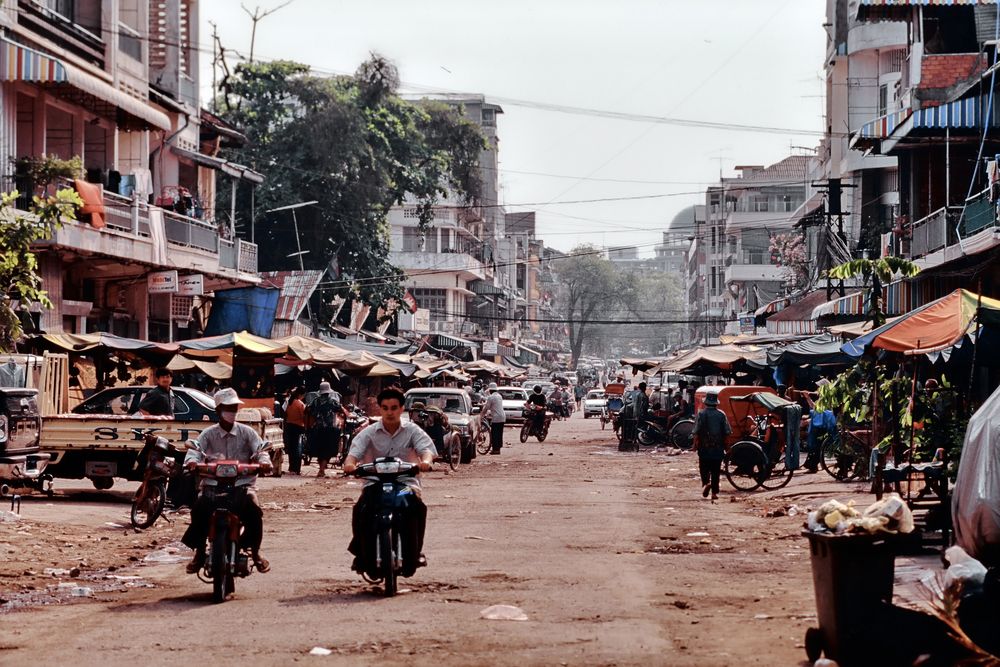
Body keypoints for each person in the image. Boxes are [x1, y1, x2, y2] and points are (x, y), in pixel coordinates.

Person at [343, 388, 435, 576]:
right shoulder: (368, 432)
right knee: (361, 509)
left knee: (417, 507)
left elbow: (426, 450)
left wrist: (426, 462)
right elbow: (353, 455)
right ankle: (360, 553)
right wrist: (350, 465)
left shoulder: (412, 430)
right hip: (374, 486)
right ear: (380, 409)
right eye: (385, 408)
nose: (389, 412)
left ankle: (416, 552)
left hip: (404, 486)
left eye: (394, 408)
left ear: (402, 409)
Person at [182, 388, 272, 574]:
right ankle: (199, 552)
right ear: (218, 410)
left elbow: (260, 451)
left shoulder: (247, 432)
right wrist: (191, 462)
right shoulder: (207, 434)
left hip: (242, 486)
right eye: (227, 407)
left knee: (254, 513)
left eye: (234, 407)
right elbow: (195, 451)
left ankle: (254, 553)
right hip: (212, 486)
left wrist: (264, 462)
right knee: (198, 510)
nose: (232, 411)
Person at [691, 393, 732, 501]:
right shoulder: (721, 414)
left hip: (704, 447)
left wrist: (695, 445)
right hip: (718, 447)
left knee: (704, 468)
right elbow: (727, 432)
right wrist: (727, 447)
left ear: (706, 403)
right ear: (716, 404)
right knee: (715, 470)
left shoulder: (701, 414)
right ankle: (714, 493)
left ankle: (706, 483)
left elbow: (696, 431)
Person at [306, 381, 343, 478]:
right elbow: (340, 409)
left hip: (318, 429)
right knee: (328, 449)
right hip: (329, 429)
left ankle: (321, 469)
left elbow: (308, 410)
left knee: (319, 450)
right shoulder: (332, 401)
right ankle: (322, 469)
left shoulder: (315, 401)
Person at [283, 386, 307, 475]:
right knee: (298, 449)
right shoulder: (300, 404)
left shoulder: (289, 402)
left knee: (291, 448)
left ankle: (291, 467)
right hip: (298, 427)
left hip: (289, 426)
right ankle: (296, 468)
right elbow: (303, 417)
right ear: (301, 394)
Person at [482, 382, 506, 455]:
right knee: (499, 433)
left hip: (496, 417)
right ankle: (498, 448)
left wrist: (482, 415)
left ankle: (495, 449)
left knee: (494, 433)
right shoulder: (499, 396)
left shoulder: (491, 397)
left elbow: (487, 407)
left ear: (490, 390)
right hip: (502, 417)